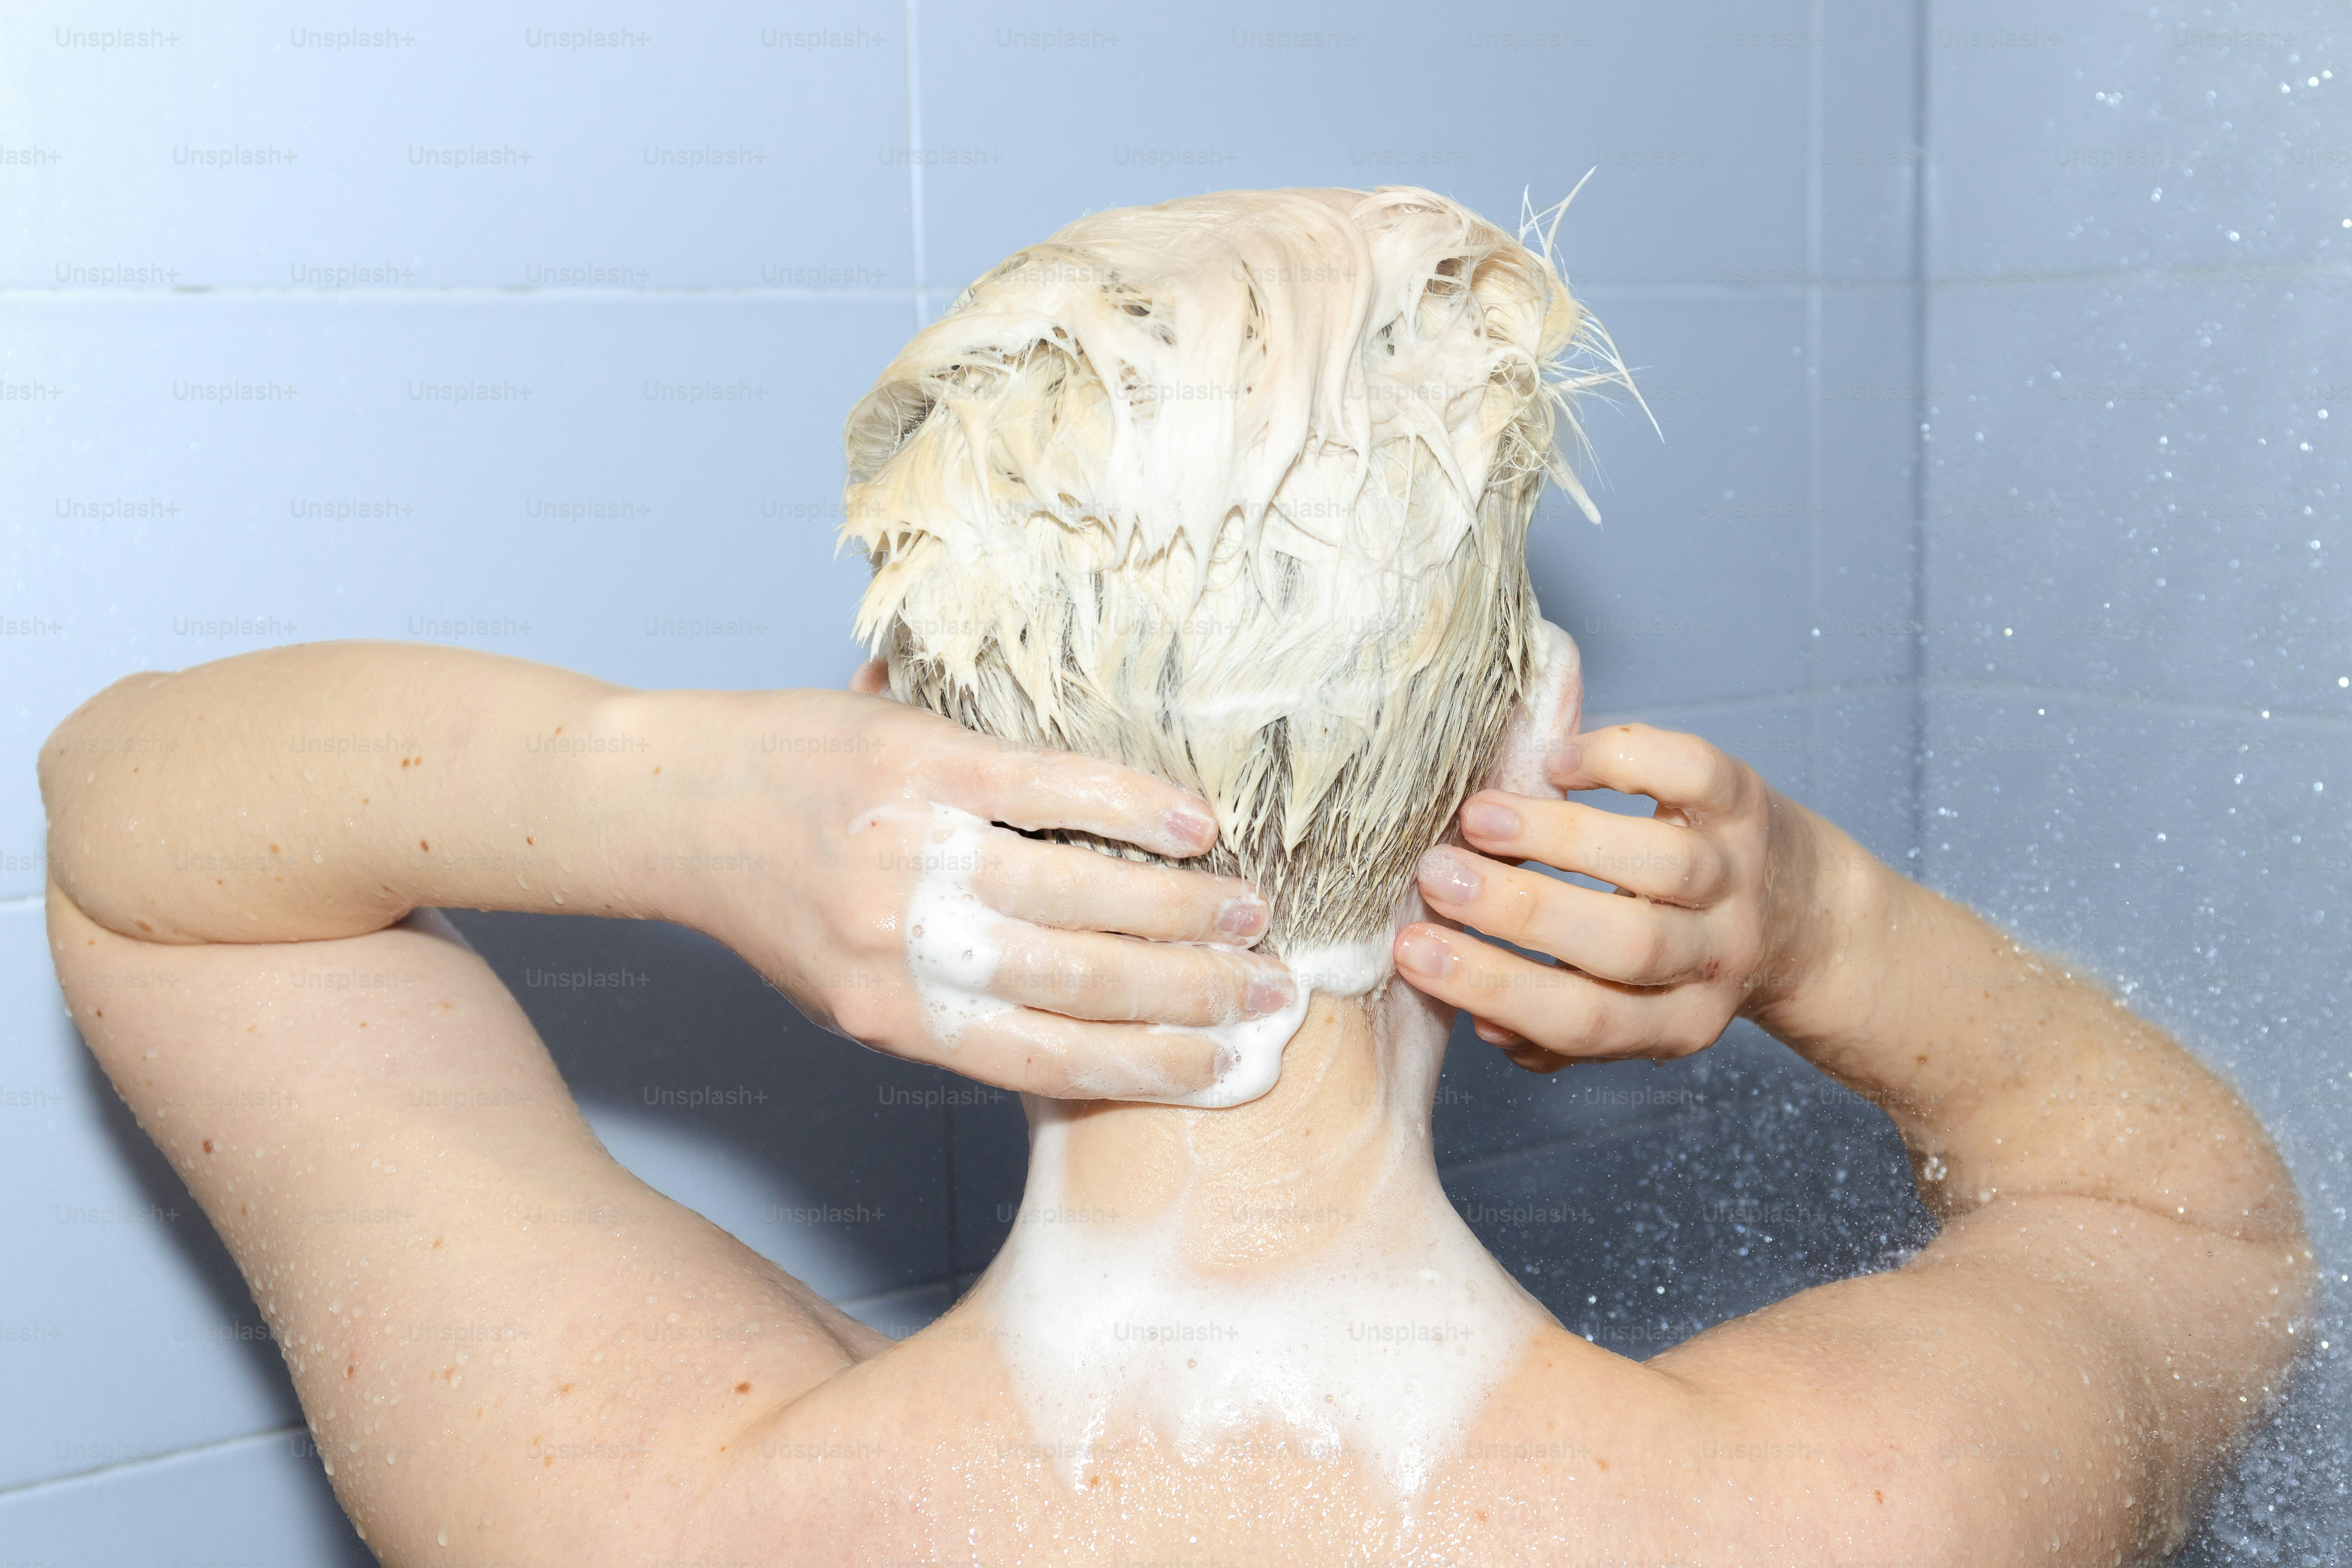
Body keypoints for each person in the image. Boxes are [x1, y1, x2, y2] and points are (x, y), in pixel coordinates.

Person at [41, 186, 2308, 1565]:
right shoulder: (1852, 1514)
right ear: (1525, 741)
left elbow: (142, 850)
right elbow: (2182, 1218)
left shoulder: (631, 1505)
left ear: (897, 734)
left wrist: (661, 787)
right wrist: (1819, 921)